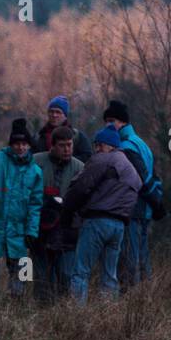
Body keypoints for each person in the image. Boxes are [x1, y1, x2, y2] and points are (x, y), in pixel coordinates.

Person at [63, 125, 141, 302]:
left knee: (81, 272)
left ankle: (76, 315)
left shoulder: (103, 160)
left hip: (97, 221)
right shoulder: (130, 168)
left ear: (111, 145)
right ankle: (108, 315)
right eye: (96, 145)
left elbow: (81, 187)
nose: (96, 149)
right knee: (109, 276)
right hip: (119, 226)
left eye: (100, 145)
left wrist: (67, 209)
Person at [0, 119, 44, 295]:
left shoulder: (35, 171)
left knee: (21, 274)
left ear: (29, 146)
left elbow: (35, 204)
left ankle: (17, 308)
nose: (20, 147)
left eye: (24, 144)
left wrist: (32, 231)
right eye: (17, 144)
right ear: (11, 144)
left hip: (19, 231)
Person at [104, 100, 157, 287]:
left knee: (130, 255)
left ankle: (131, 297)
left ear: (123, 122)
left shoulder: (126, 146)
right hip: (144, 208)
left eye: (112, 120)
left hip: (133, 208)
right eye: (107, 121)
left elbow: (139, 178)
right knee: (143, 255)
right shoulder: (140, 142)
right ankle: (146, 294)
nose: (108, 125)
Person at [30, 127, 84, 301]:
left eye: (70, 145)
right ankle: (42, 312)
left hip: (67, 231)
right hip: (40, 229)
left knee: (66, 275)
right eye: (62, 146)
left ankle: (63, 314)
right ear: (52, 146)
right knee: (40, 276)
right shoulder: (36, 162)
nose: (67, 149)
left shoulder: (80, 167)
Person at [35, 96, 93, 163]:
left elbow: (87, 156)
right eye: (51, 111)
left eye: (58, 112)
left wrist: (66, 162)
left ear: (65, 115)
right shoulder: (39, 137)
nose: (54, 115)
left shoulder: (77, 136)